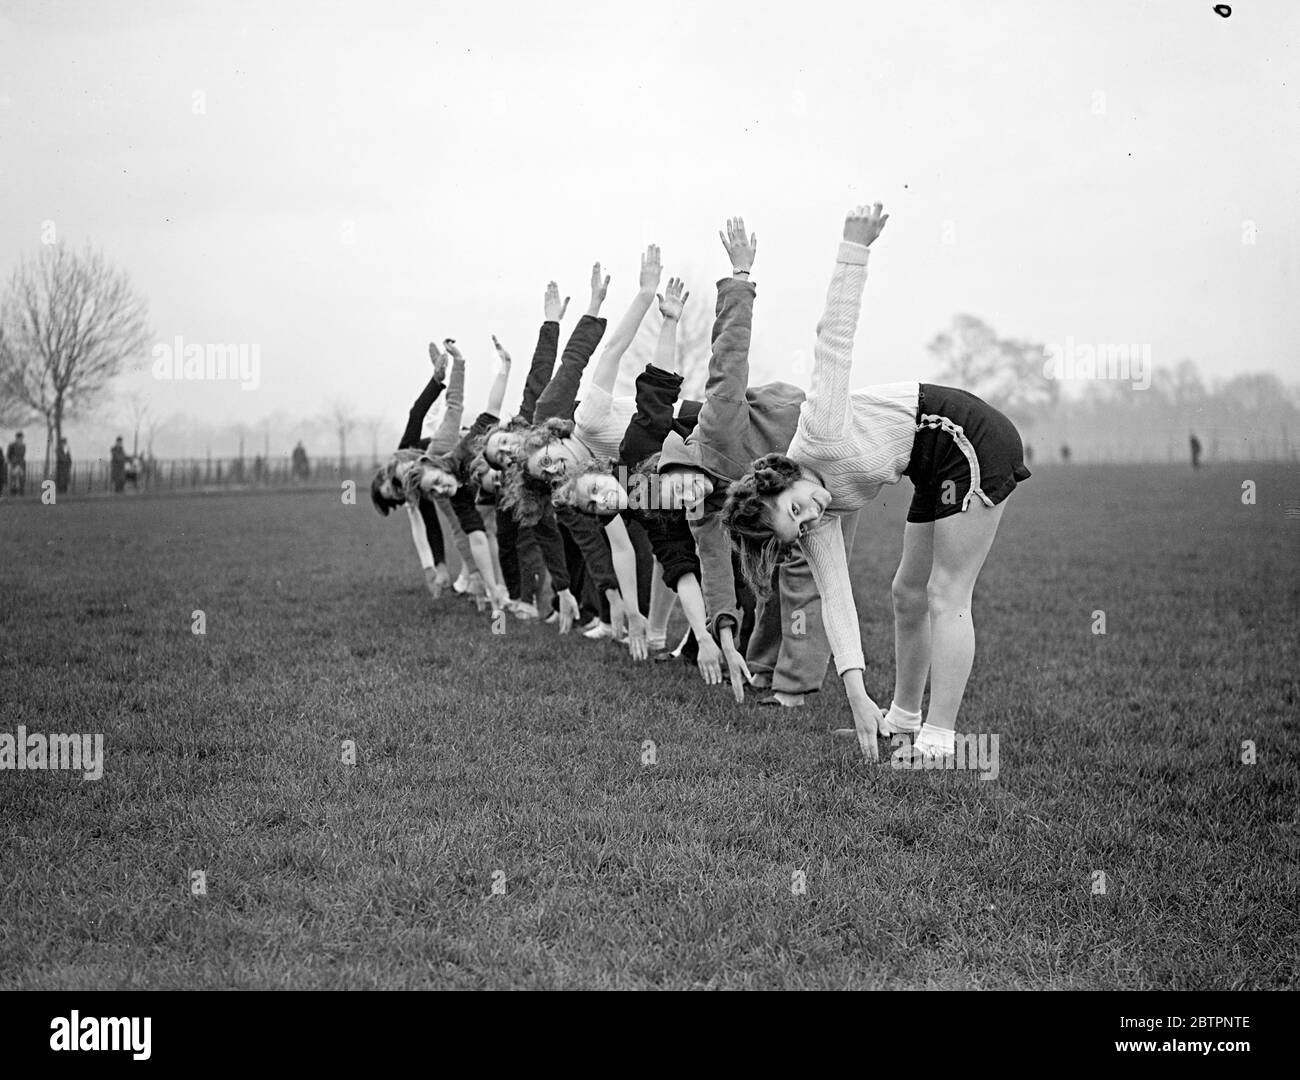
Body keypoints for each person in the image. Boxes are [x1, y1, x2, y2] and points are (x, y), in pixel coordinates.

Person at [720, 203, 1030, 764]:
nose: (810, 520)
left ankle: (939, 739)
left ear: (780, 479)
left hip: (964, 436)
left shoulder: (820, 432)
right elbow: (837, 603)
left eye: (795, 512)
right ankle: (902, 719)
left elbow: (833, 341)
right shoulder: (815, 520)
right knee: (904, 593)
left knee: (945, 593)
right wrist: (858, 696)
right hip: (926, 464)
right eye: (799, 529)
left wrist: (854, 246)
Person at [6, 431, 26, 496]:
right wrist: (12, 462)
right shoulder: (11, 445)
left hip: (21, 464)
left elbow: (22, 455)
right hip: (13, 464)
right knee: (13, 479)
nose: (21, 439)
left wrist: (21, 463)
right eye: (20, 438)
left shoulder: (23, 446)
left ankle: (21, 493)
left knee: (21, 479)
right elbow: (8, 455)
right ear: (17, 438)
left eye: (22, 438)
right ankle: (12, 493)